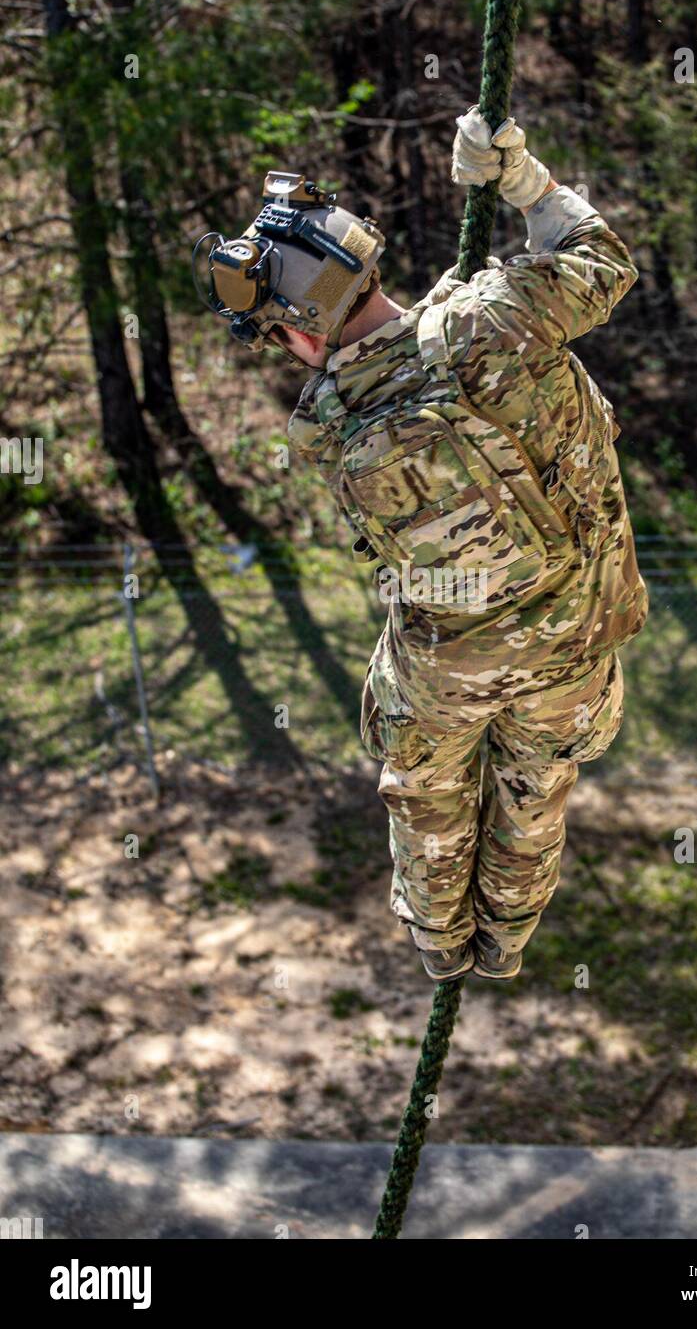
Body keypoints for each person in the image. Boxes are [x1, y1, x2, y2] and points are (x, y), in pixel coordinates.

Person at [200, 109, 648, 981]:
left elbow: (391, 355)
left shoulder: (324, 425)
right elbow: (600, 261)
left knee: (424, 796)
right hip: (573, 641)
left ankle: (439, 940)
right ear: (364, 258)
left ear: (297, 332)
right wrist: (523, 183)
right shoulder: (499, 320)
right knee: (536, 795)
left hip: (443, 665)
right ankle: (507, 937)